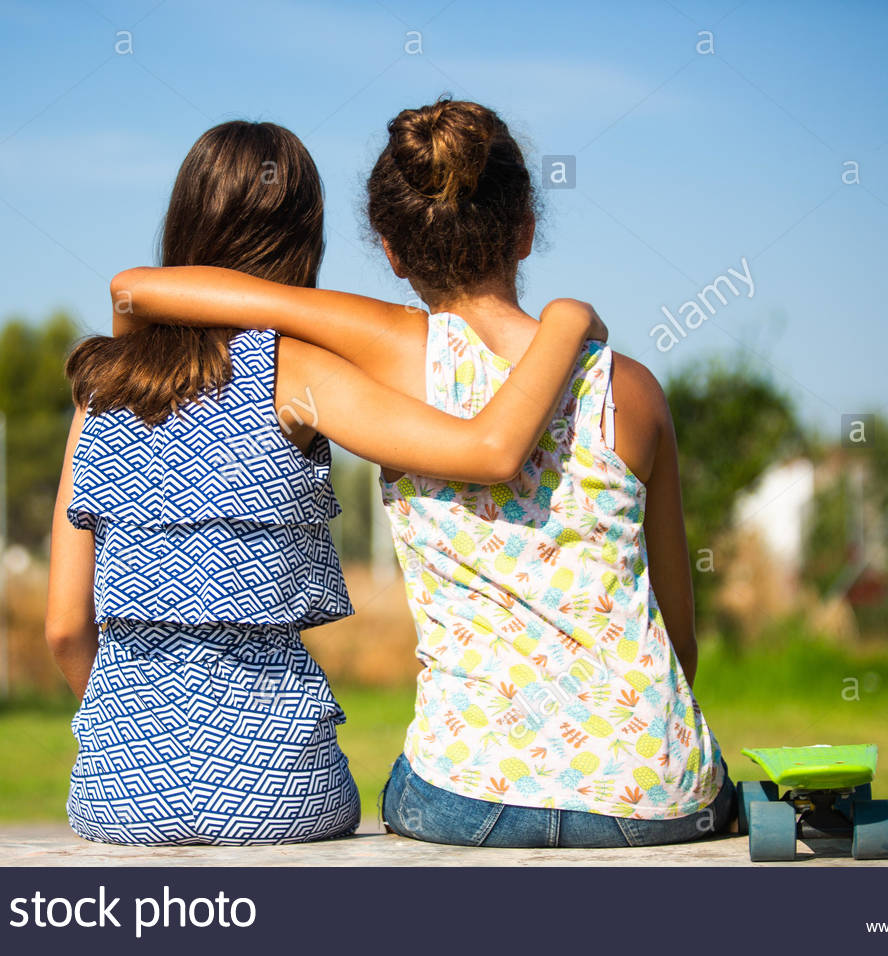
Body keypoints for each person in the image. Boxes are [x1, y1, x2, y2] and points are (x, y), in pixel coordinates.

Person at [109, 99, 732, 848]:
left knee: (400, 791)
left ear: (393, 252)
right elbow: (678, 638)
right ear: (527, 230)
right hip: (660, 789)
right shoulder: (630, 390)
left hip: (472, 793)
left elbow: (140, 290)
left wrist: (134, 321)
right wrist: (569, 317)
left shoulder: (394, 349)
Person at [45, 119, 603, 846]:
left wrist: (142, 751)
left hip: (115, 793)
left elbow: (64, 630)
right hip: (281, 791)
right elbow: (485, 449)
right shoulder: (295, 375)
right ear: (306, 239)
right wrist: (567, 320)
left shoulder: (99, 392)